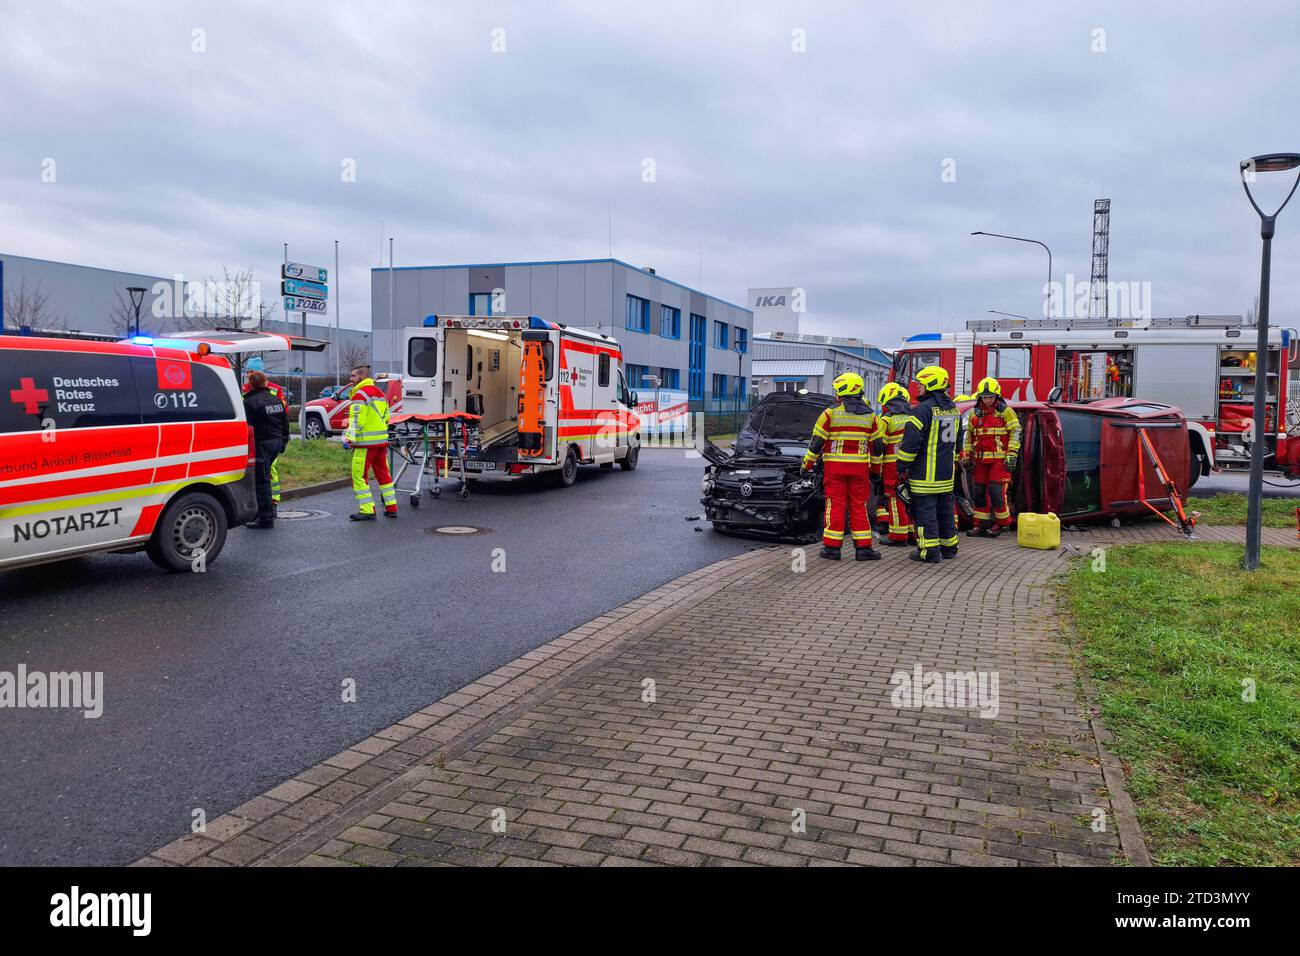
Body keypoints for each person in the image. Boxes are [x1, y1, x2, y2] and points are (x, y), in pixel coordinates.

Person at [801, 372, 882, 561]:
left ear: (843, 391)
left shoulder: (829, 414)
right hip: (860, 470)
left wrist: (807, 465)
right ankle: (863, 549)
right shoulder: (871, 417)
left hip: (835, 469)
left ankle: (832, 548)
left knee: (835, 505)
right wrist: (875, 472)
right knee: (859, 506)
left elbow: (816, 443)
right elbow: (877, 448)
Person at [896, 365, 962, 565]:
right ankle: (949, 548)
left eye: (921, 384)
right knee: (945, 512)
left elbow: (910, 444)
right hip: (946, 475)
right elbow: (958, 442)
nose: (918, 387)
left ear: (931, 384)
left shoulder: (922, 411)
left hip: (924, 475)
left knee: (925, 514)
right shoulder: (953, 409)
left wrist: (902, 464)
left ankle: (929, 551)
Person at [963, 377, 1021, 537]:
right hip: (980, 460)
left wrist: (1012, 454)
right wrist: (967, 454)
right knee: (979, 492)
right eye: (984, 397)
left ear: (997, 396)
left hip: (1000, 461)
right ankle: (980, 525)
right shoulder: (974, 414)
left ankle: (1002, 524)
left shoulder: (1006, 412)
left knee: (996, 492)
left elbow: (1016, 433)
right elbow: (969, 438)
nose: (987, 400)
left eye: (990, 397)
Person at [343, 364, 397, 521]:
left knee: (358, 476)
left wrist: (349, 438)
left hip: (365, 444)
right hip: (380, 442)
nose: (351, 379)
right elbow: (386, 416)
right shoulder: (380, 393)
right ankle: (391, 507)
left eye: (353, 376)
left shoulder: (359, 395)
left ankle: (367, 510)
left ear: (362, 376)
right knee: (384, 474)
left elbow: (356, 420)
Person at [242, 370, 289, 529]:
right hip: (275, 443)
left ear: (251, 385)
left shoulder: (249, 402)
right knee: (265, 478)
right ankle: (261, 513)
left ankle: (265, 518)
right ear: (265, 382)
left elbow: (246, 428)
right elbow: (285, 423)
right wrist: (283, 442)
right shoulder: (275, 400)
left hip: (261, 444)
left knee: (261, 482)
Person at [871, 382, 915, 547]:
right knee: (912, 498)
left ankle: (897, 535)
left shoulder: (887, 420)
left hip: (892, 466)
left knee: (896, 499)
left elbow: (879, 447)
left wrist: (875, 469)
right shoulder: (913, 416)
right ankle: (912, 533)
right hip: (913, 464)